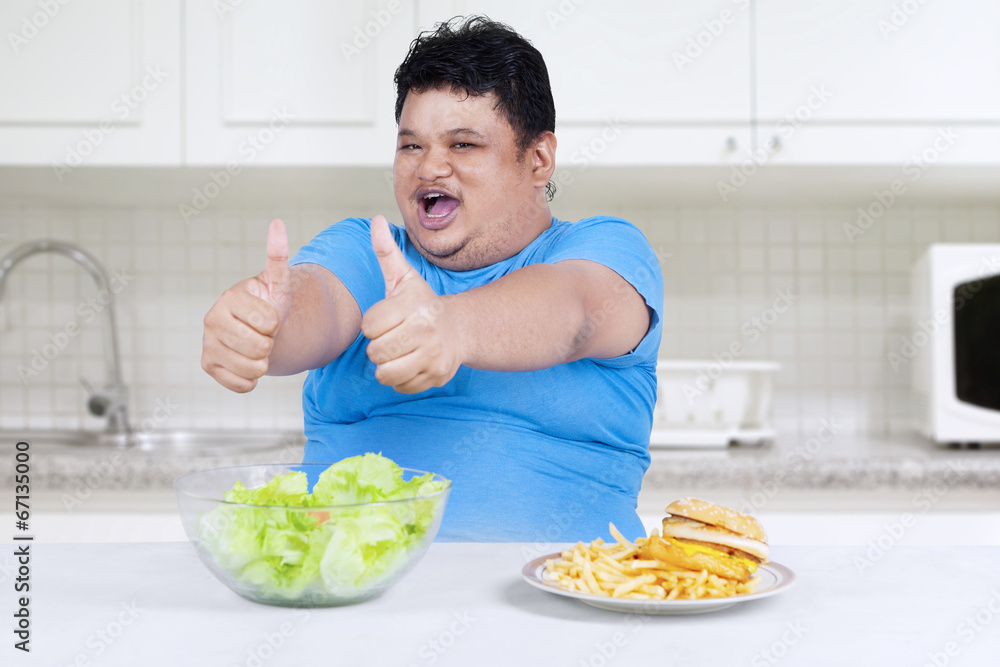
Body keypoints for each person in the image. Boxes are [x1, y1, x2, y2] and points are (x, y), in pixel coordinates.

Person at [201, 16, 663, 542]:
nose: (428, 169)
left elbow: (575, 311)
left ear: (538, 159)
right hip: (357, 589)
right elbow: (315, 306)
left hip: (565, 589)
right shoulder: (367, 249)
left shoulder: (609, 249)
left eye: (462, 145)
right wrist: (260, 328)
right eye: (411, 146)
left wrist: (452, 327)